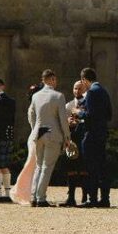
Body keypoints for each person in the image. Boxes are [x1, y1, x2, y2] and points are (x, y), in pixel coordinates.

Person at [25, 70, 70, 207]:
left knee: (39, 165)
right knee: (47, 166)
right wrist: (67, 136)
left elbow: (31, 115)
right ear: (52, 79)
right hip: (53, 134)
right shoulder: (58, 96)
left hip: (38, 133)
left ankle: (33, 196)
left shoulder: (36, 96)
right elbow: (63, 119)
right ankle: (41, 197)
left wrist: (34, 129)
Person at [78, 67, 112, 208]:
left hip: (91, 134)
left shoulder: (91, 92)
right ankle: (105, 198)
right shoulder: (104, 91)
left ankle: (92, 199)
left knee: (91, 167)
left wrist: (78, 113)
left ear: (85, 79)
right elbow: (109, 115)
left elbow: (89, 115)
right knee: (102, 167)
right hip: (102, 133)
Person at [59, 79, 87, 207]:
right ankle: (70, 197)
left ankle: (85, 196)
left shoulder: (88, 104)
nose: (77, 91)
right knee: (70, 168)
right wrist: (68, 123)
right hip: (72, 139)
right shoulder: (69, 105)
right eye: (75, 88)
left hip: (84, 139)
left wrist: (80, 122)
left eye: (80, 88)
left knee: (84, 168)